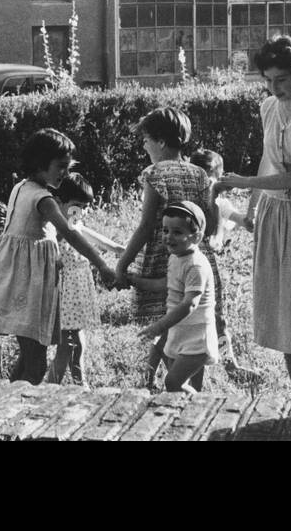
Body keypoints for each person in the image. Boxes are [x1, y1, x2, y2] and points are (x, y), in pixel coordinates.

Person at [212, 36, 291, 398]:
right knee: (285, 301)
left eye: (281, 79)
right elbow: (268, 160)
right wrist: (253, 207)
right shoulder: (268, 107)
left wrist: (240, 182)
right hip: (275, 215)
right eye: (267, 80)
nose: (274, 87)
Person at [0, 129, 118, 384]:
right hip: (29, 284)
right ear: (40, 163)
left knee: (29, 354)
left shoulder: (21, 187)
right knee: (36, 362)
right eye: (60, 166)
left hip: (18, 277)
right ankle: (24, 409)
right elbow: (71, 234)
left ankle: (9, 400)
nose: (65, 173)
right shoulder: (44, 198)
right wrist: (103, 266)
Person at [114, 107, 215, 390]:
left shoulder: (155, 173)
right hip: (196, 256)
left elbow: (147, 225)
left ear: (160, 141)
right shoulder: (199, 174)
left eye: (146, 138)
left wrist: (123, 264)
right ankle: (195, 388)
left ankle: (178, 390)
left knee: (170, 324)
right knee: (192, 322)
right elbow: (209, 217)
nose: (143, 144)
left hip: (165, 256)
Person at [45, 173, 125, 388]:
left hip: (79, 291)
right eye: (76, 205)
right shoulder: (60, 229)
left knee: (78, 342)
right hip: (65, 293)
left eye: (85, 206)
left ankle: (81, 385)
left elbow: (110, 245)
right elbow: (52, 249)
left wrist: (126, 252)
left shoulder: (76, 225)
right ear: (59, 203)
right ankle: (50, 388)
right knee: (66, 345)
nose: (81, 211)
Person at [130, 201, 218, 393]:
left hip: (197, 337)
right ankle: (188, 413)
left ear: (196, 236)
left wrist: (160, 326)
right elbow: (166, 284)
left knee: (172, 384)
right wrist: (135, 281)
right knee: (177, 386)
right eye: (165, 230)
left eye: (177, 232)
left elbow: (190, 304)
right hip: (179, 331)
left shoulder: (196, 265)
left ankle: (200, 408)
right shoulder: (175, 257)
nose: (169, 236)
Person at [190, 148, 259, 383]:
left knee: (218, 315)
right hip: (193, 265)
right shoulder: (195, 202)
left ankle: (231, 366)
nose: (209, 183)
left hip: (210, 269)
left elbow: (245, 222)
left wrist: (253, 211)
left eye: (213, 177)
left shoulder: (222, 203)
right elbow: (209, 233)